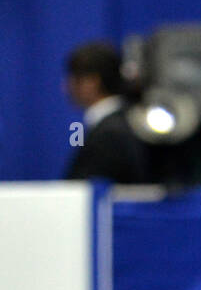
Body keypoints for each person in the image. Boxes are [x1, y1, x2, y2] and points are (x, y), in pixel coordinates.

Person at [62, 40, 150, 184]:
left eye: (72, 78)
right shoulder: (126, 121)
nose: (65, 86)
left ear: (92, 82)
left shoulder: (109, 133)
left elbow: (82, 188)